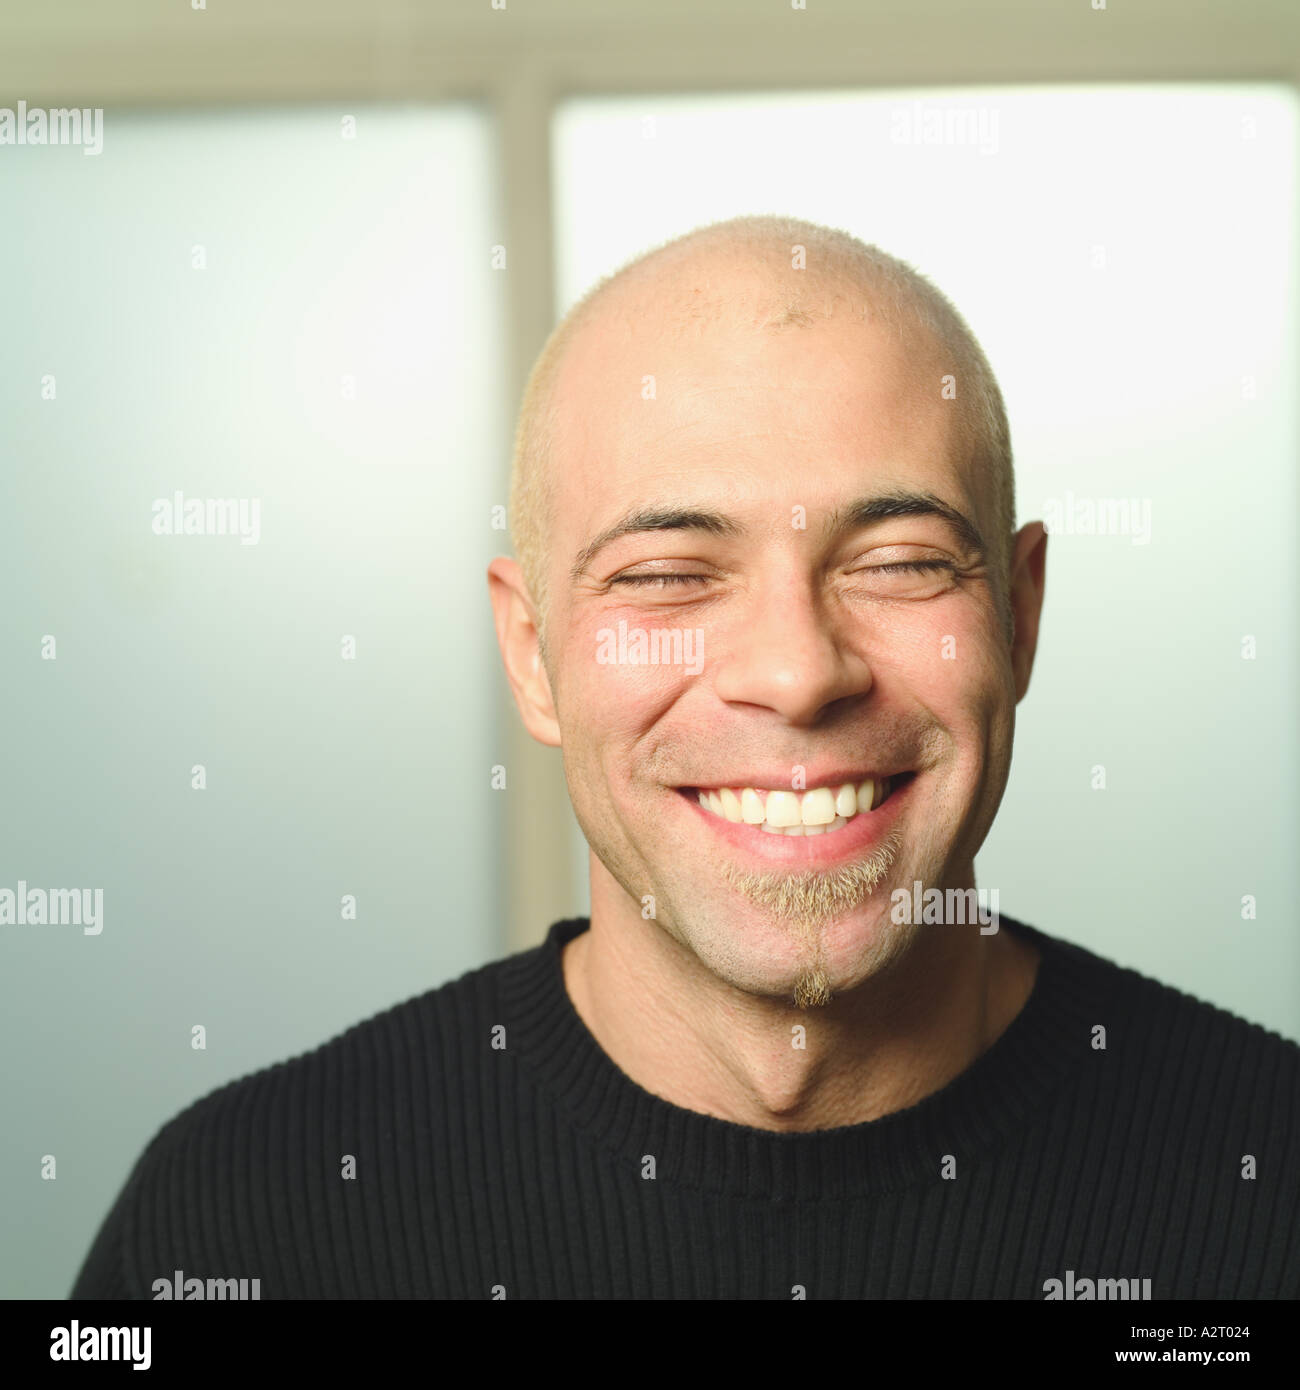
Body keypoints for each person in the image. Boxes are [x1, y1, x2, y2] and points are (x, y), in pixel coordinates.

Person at [72, 215, 1298, 1300]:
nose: (796, 669)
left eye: (900, 560)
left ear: (1019, 617)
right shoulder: (236, 1224)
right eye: (666, 577)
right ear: (533, 651)